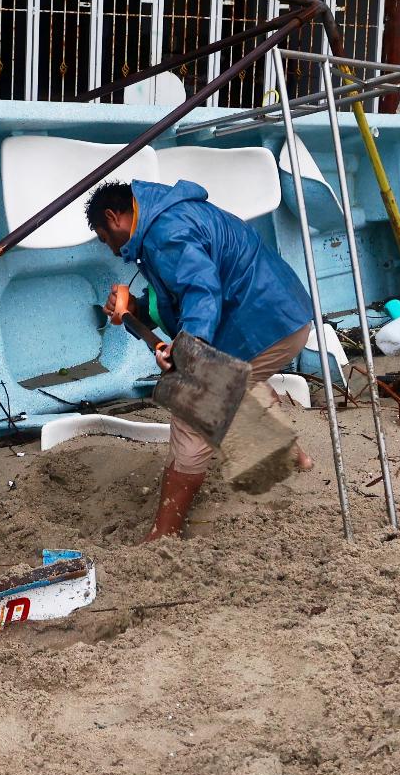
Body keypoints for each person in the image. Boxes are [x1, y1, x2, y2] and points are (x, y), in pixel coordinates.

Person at [86, 179, 314, 542]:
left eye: (104, 238)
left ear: (114, 217)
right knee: (235, 390)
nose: (112, 250)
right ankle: (294, 459)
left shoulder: (165, 232)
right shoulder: (169, 219)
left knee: (195, 414)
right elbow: (178, 300)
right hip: (280, 316)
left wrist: (188, 352)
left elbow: (201, 290)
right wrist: (134, 310)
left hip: (262, 326)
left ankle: (165, 533)